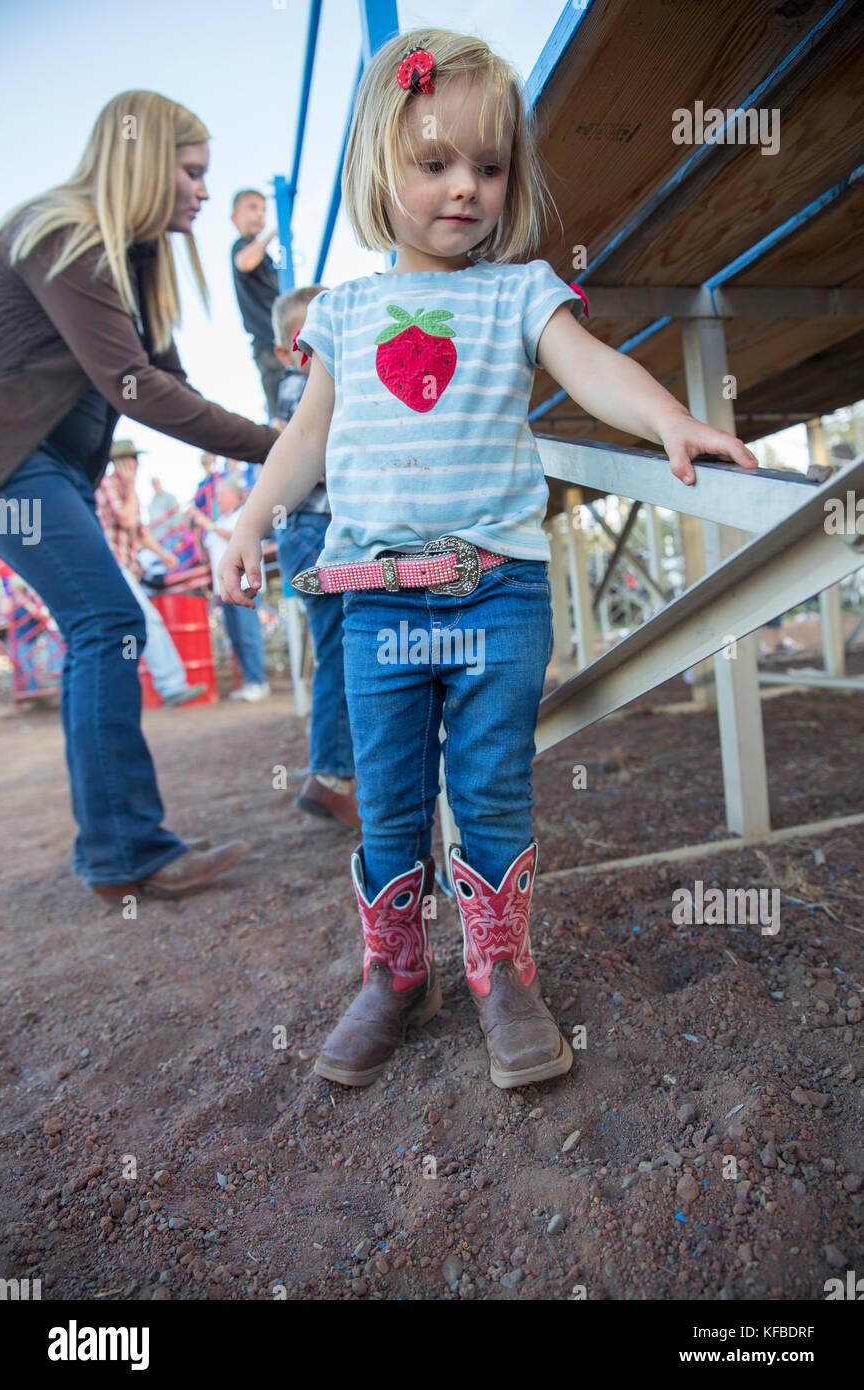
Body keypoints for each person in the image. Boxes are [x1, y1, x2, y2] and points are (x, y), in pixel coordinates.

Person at [218, 29, 760, 1090]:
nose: (464, 187)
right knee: (387, 795)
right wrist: (247, 520)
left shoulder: (519, 293)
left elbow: (590, 365)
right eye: (433, 164)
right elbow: (307, 438)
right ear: (381, 168)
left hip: (498, 590)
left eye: (488, 165)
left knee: (493, 786)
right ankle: (391, 972)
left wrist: (667, 423)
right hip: (374, 600)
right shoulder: (343, 311)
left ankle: (500, 970)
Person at [0, 90, 281, 900]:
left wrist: (281, 457)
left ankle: (119, 845)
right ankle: (122, 852)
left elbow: (171, 385)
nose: (201, 191)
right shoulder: (59, 232)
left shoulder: (139, 259)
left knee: (105, 623)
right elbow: (138, 391)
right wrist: (285, 447)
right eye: (192, 173)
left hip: (52, 470)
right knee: (107, 622)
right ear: (147, 161)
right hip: (14, 470)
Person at [271, 287, 360, 829]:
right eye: (308, 341)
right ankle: (330, 776)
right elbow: (311, 459)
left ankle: (334, 775)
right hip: (315, 531)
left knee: (343, 649)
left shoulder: (312, 382)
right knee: (345, 650)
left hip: (311, 532)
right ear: (287, 353)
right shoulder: (297, 388)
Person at [95, 439, 206, 707]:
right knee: (148, 621)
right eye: (129, 460)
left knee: (118, 631)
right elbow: (129, 521)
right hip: (112, 566)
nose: (134, 465)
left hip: (123, 568)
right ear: (119, 464)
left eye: (134, 459)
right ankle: (171, 685)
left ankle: (112, 695)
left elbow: (141, 533)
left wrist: (164, 554)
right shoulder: (109, 485)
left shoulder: (123, 490)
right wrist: (132, 485)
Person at [192, 472, 271, 701]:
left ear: (235, 496)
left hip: (247, 585)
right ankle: (251, 682)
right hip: (223, 589)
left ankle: (259, 682)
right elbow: (207, 550)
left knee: (248, 635)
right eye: (216, 495)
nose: (218, 499)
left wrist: (207, 524)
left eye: (222, 494)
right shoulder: (218, 522)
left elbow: (238, 538)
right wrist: (200, 530)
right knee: (236, 637)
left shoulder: (244, 517)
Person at [230, 190, 284, 420]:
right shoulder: (242, 247)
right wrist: (276, 230)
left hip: (280, 339)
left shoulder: (265, 256)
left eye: (263, 210)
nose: (259, 215)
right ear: (235, 217)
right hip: (268, 343)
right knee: (281, 413)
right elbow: (244, 262)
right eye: (252, 208)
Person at [147, 474, 180, 547]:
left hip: (168, 533)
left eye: (156, 483)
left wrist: (172, 527)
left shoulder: (169, 497)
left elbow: (176, 513)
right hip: (156, 536)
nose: (155, 485)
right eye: (153, 484)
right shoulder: (153, 501)